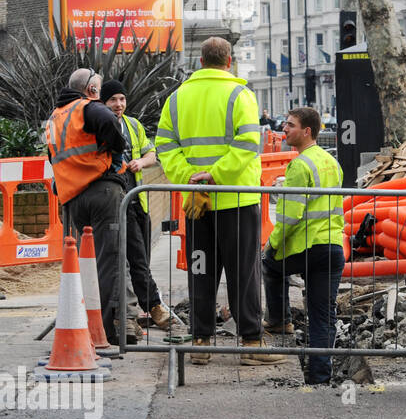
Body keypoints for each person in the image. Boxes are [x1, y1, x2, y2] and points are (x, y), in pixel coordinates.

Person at [156, 37, 283, 366]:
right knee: (244, 273)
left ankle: (201, 342)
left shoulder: (177, 98)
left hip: (197, 203)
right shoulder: (241, 95)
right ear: (230, 62)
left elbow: (166, 145)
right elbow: (247, 144)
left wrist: (192, 177)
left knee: (201, 270)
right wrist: (215, 175)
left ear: (200, 62)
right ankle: (252, 344)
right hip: (236, 200)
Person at [46, 68, 131, 344]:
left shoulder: (55, 118)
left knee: (82, 265)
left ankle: (83, 327)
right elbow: (110, 122)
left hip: (72, 198)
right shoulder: (88, 108)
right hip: (102, 190)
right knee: (109, 261)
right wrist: (117, 150)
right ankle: (108, 329)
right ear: (93, 91)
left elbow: (52, 157)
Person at [262, 107, 345, 384]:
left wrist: (271, 246)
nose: (284, 130)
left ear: (306, 131)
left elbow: (289, 217)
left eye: (290, 125)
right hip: (332, 247)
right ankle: (320, 376)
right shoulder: (331, 162)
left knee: (270, 266)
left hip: (307, 248)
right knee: (323, 314)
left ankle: (278, 319)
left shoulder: (299, 165)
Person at [99, 79, 177, 332]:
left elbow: (151, 154)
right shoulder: (99, 124)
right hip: (116, 202)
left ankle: (139, 310)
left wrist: (141, 163)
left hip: (137, 201)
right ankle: (148, 308)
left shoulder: (133, 125)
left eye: (121, 99)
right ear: (103, 101)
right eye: (113, 100)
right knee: (131, 260)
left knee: (139, 258)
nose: (119, 104)